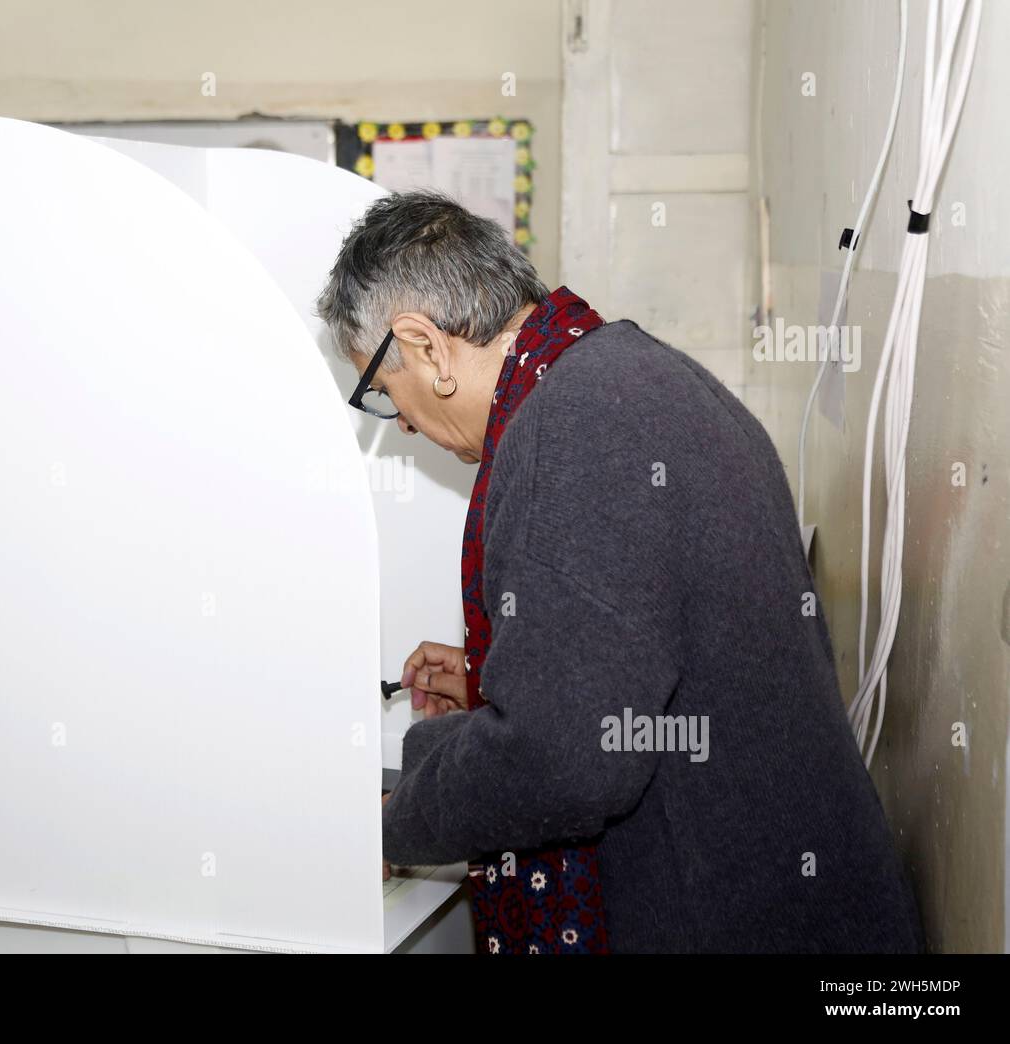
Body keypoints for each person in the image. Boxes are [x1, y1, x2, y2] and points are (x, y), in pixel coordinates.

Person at [314, 190, 925, 955]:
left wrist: (395, 811)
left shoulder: (569, 429)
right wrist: (507, 682)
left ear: (426, 345)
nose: (398, 419)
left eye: (380, 388)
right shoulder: (626, 376)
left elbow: (561, 763)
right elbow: (649, 666)